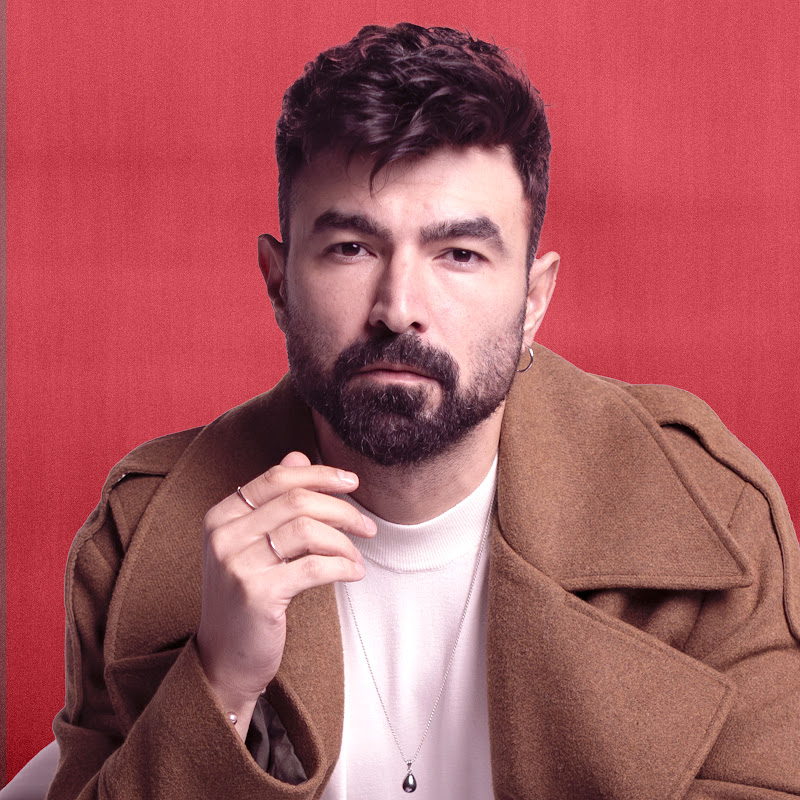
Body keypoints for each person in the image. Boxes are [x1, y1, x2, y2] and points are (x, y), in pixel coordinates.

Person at [45, 22, 799, 800]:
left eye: (460, 254)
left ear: (533, 300)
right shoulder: (142, 532)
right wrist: (221, 684)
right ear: (278, 283)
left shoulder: (710, 509)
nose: (399, 307)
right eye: (352, 248)